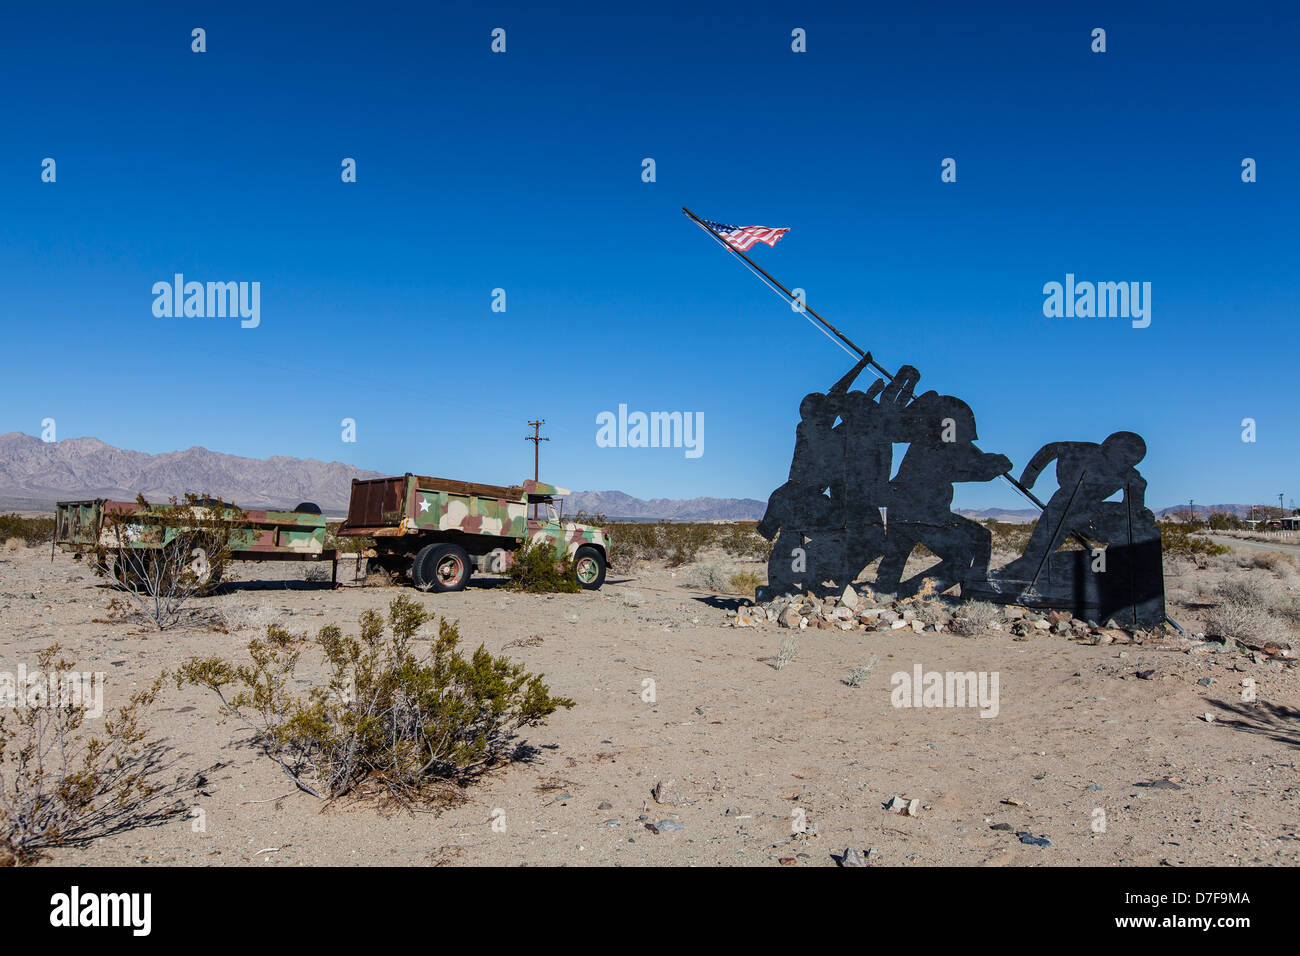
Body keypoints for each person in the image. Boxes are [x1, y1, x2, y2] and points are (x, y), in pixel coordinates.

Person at [874, 394, 1012, 597]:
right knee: (976, 542)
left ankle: (888, 592)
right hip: (927, 513)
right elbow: (964, 468)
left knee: (896, 555)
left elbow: (966, 461)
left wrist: (990, 463)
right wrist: (994, 466)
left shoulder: (925, 442)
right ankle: (916, 592)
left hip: (902, 506)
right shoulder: (941, 446)